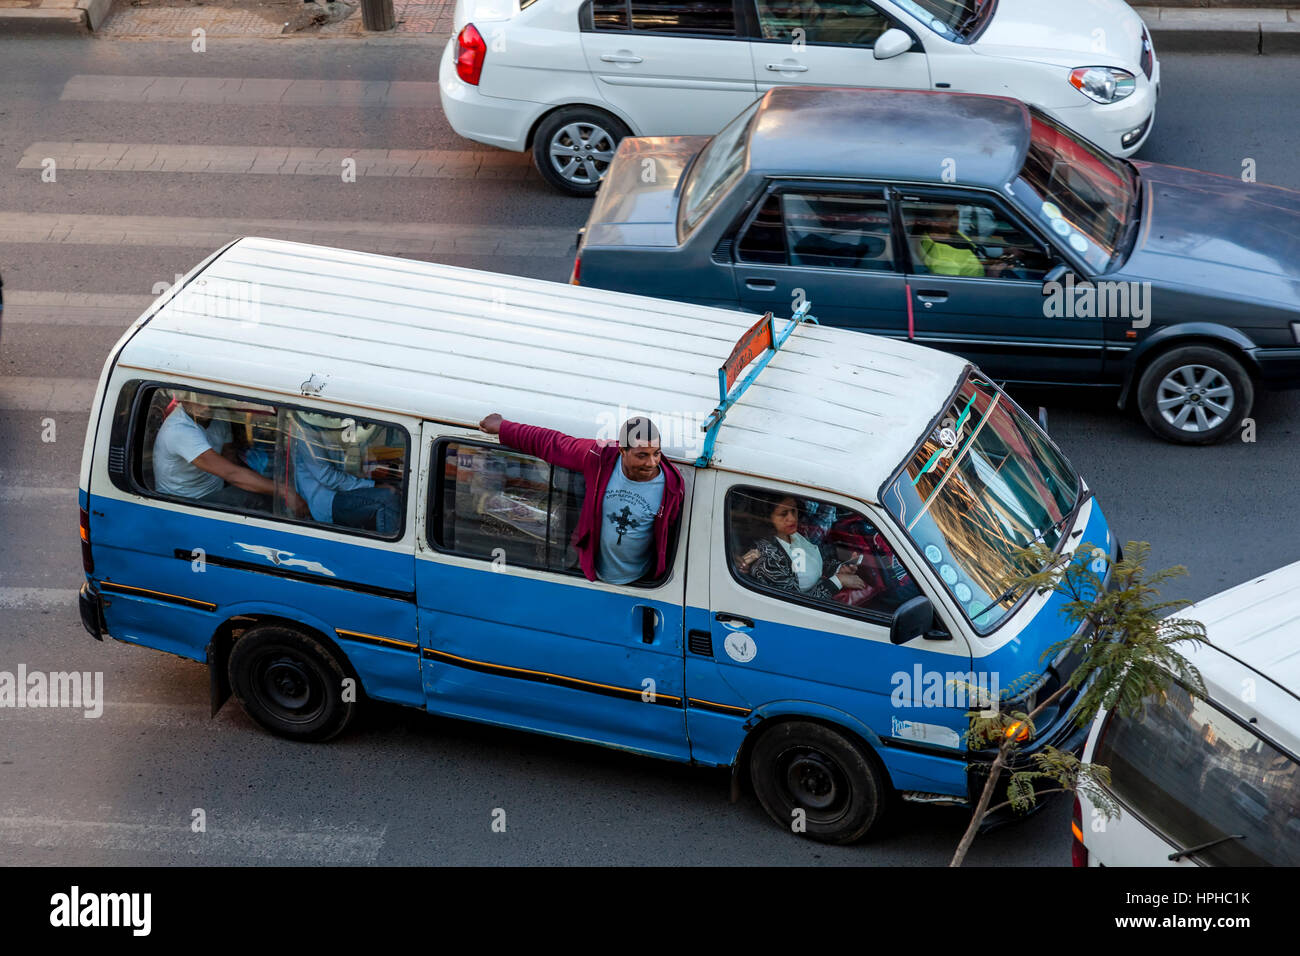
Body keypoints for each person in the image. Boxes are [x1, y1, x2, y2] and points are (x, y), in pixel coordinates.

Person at [478, 413, 684, 585]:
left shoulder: (671, 487)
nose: (651, 463)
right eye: (642, 455)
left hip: (642, 580)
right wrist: (504, 428)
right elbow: (553, 444)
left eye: (656, 453)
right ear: (622, 450)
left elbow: (669, 534)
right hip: (590, 574)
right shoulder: (600, 458)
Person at [152, 392, 307, 517]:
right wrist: (283, 491)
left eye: (210, 399)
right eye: (198, 400)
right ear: (184, 401)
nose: (206, 406)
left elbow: (229, 458)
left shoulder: (219, 415)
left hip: (215, 490)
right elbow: (232, 473)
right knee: (255, 498)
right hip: (185, 503)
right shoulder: (180, 431)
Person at [244, 413, 400, 533]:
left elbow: (352, 458)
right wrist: (374, 485)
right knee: (387, 499)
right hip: (325, 500)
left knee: (398, 488)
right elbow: (326, 476)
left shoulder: (340, 425)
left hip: (344, 487)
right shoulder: (306, 429)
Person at [735, 492, 870, 601]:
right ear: (768, 518)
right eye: (783, 514)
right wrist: (838, 580)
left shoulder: (796, 535)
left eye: (794, 511)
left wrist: (840, 568)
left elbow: (809, 563)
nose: (792, 518)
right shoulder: (767, 559)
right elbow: (796, 603)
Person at [918, 207, 1020, 278]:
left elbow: (976, 251)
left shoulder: (952, 234)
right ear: (932, 222)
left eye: (956, 213)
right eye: (948, 216)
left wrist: (1005, 250)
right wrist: (991, 275)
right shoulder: (944, 260)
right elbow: (955, 291)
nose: (956, 218)